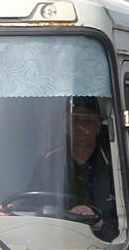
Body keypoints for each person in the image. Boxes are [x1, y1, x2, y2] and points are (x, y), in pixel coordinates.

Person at [15, 96, 119, 240]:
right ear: (66, 124)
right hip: (55, 243)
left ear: (98, 125)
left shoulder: (115, 165)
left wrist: (99, 221)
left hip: (106, 249)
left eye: (87, 121)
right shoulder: (48, 163)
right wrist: (10, 213)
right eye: (75, 121)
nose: (81, 128)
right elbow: (30, 211)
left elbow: (127, 225)